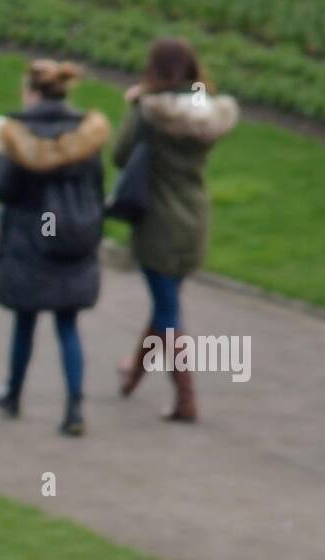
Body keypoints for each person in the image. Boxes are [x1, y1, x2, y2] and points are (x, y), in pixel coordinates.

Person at [0, 60, 110, 437]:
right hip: (73, 238)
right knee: (67, 325)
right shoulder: (87, 135)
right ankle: (74, 408)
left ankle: (14, 393)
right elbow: (96, 187)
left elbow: (4, 189)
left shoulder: (20, 136)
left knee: (25, 321)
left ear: (33, 93)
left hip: (29, 239)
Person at [113, 38, 239, 421]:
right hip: (194, 218)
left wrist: (135, 106)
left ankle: (186, 398)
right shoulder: (206, 114)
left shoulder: (149, 113)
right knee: (164, 304)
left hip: (158, 223)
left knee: (168, 312)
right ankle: (134, 374)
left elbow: (120, 156)